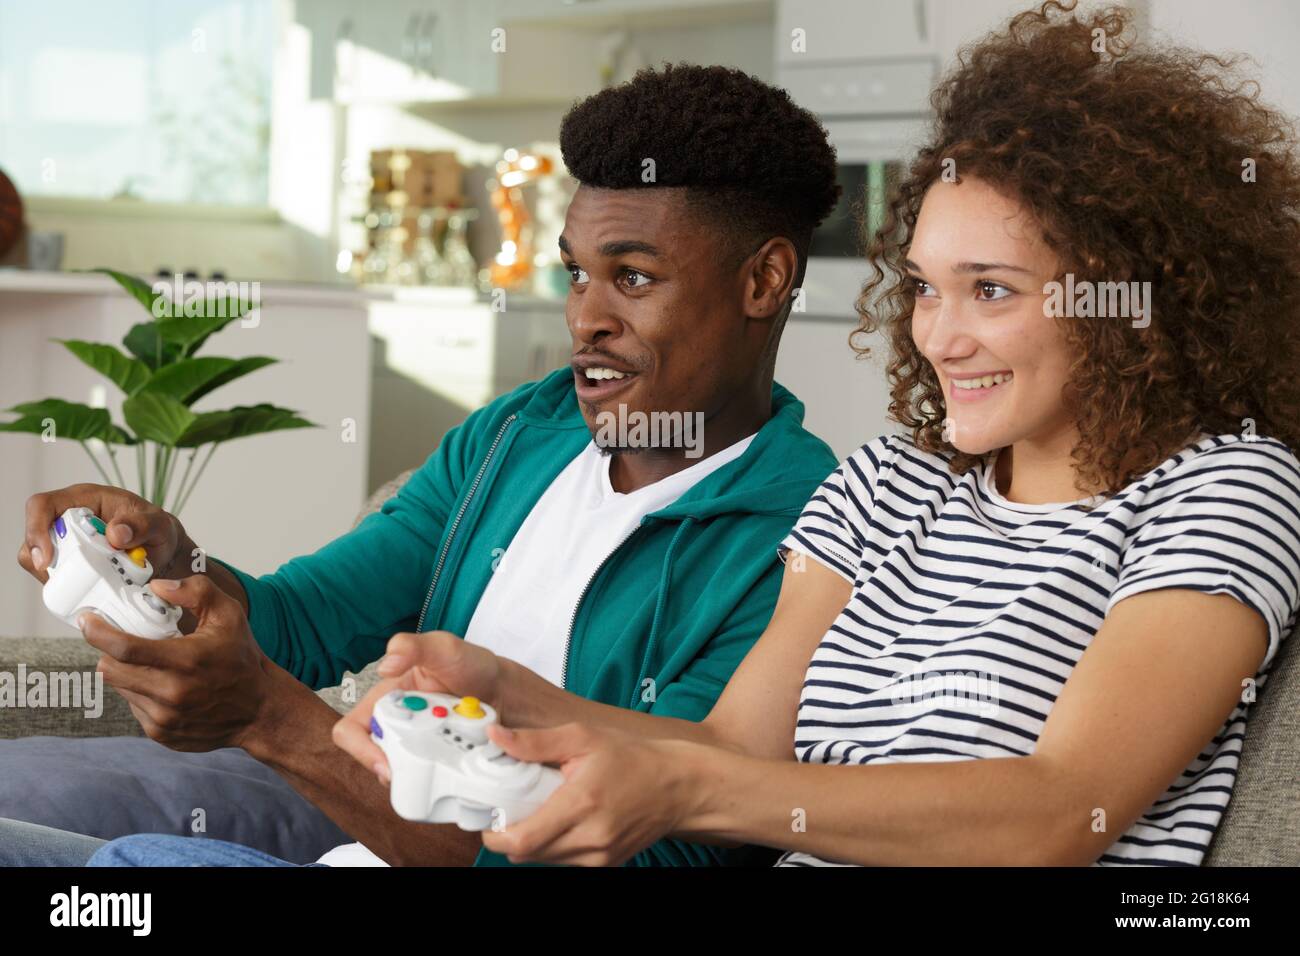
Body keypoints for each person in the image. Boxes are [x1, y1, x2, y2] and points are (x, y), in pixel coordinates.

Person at [328, 0, 1300, 867]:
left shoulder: (1223, 490)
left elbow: (1056, 811)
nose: (939, 336)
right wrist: (506, 689)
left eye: (990, 290)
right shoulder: (886, 485)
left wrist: (685, 791)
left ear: (1126, 300)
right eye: (923, 286)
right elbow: (739, 748)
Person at [4, 62, 841, 867]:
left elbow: (653, 858)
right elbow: (302, 621)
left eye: (632, 276)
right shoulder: (521, 433)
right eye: (576, 274)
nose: (585, 317)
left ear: (764, 281)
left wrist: (269, 718)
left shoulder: (810, 538)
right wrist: (168, 561)